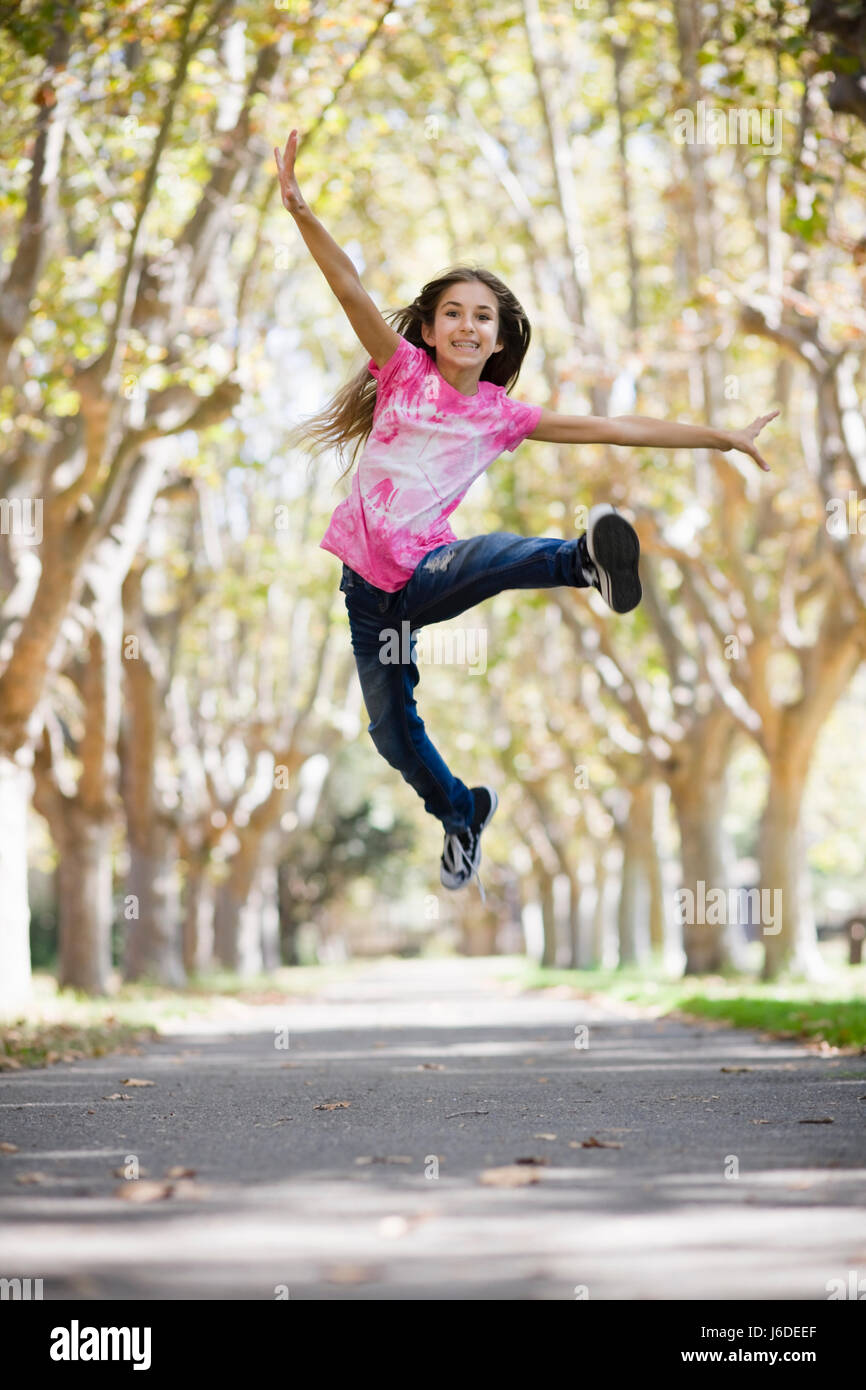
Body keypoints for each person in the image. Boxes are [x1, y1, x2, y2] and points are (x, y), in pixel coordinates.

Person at [274, 129, 778, 902]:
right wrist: (302, 209)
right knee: (391, 732)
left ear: (501, 337)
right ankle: (461, 812)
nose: (468, 326)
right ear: (432, 329)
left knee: (490, 557)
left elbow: (617, 428)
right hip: (368, 594)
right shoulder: (402, 370)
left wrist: (721, 436)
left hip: (429, 570)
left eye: (484, 317)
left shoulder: (501, 416)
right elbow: (347, 287)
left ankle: (583, 561)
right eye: (453, 313)